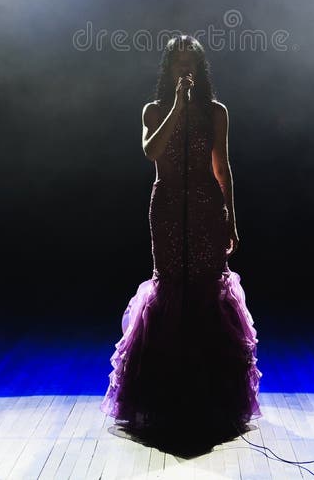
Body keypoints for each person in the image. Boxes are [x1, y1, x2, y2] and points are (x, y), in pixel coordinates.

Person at [100, 34, 262, 444]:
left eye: (192, 63)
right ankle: (163, 396)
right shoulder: (154, 110)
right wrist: (177, 105)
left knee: (207, 288)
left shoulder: (216, 113)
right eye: (178, 63)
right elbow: (152, 153)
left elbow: (222, 167)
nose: (185, 69)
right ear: (169, 69)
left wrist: (232, 221)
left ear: (201, 69)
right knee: (171, 287)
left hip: (207, 206)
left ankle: (214, 398)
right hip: (168, 206)